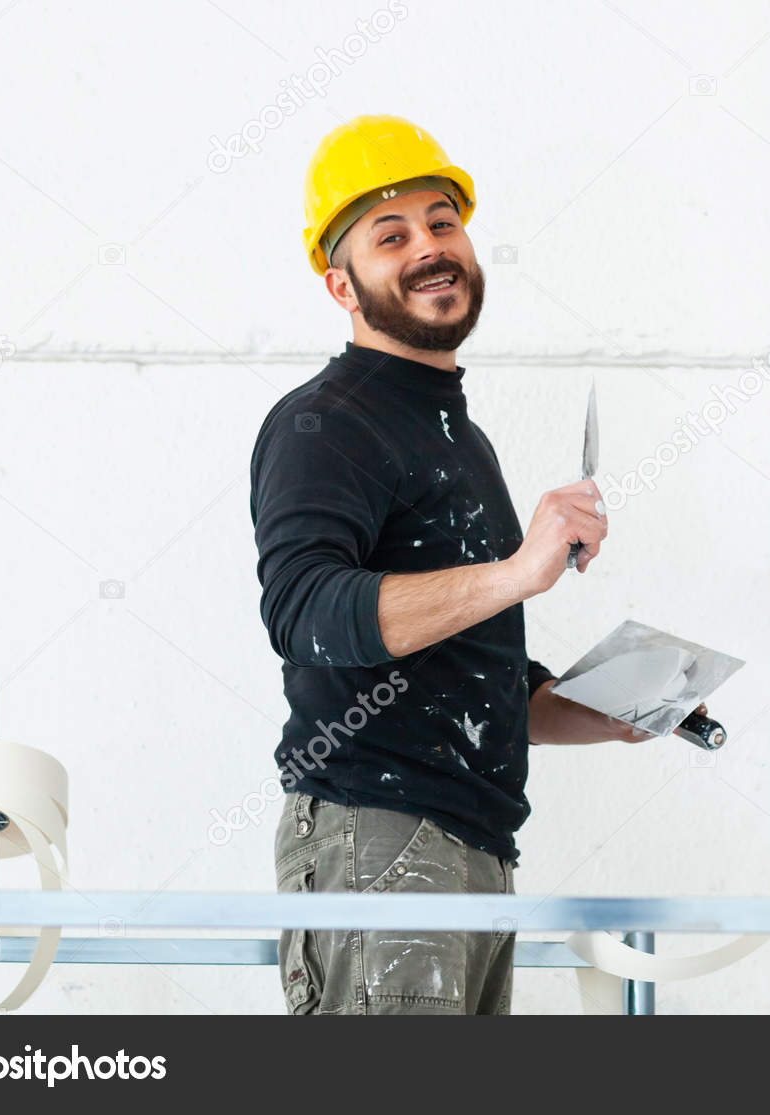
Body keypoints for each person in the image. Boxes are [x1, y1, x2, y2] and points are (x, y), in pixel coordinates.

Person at [251, 114, 706, 1014]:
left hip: (475, 848)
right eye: (393, 235)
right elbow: (305, 612)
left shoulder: (462, 440)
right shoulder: (323, 422)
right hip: (376, 838)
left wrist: (612, 707)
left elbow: (467, 682)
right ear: (342, 284)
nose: (428, 246)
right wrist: (518, 572)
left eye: (441, 221)